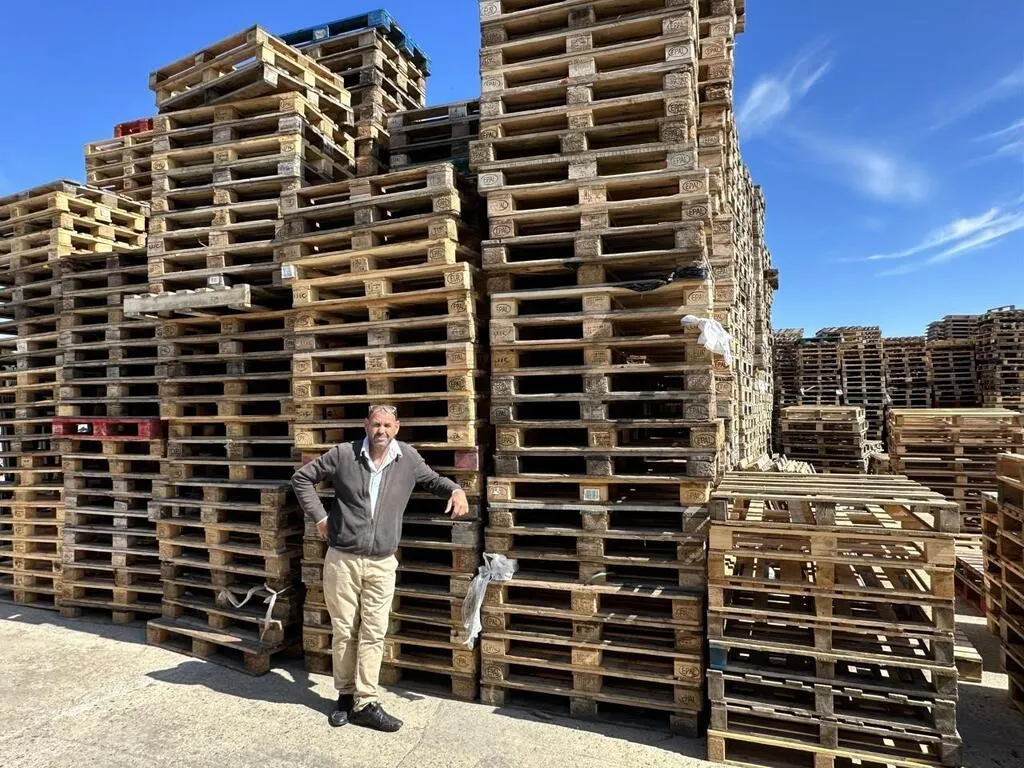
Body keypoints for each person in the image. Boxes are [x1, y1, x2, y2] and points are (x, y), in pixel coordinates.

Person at [291, 403, 469, 732]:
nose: (381, 431)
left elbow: (433, 480)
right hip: (343, 558)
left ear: (397, 427)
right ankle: (344, 697)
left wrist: (457, 490)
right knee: (345, 631)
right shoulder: (343, 454)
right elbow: (302, 479)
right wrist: (320, 518)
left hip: (383, 562)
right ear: (366, 425)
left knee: (374, 632)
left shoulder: (408, 459)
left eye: (387, 425)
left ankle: (366, 701)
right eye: (376, 424)